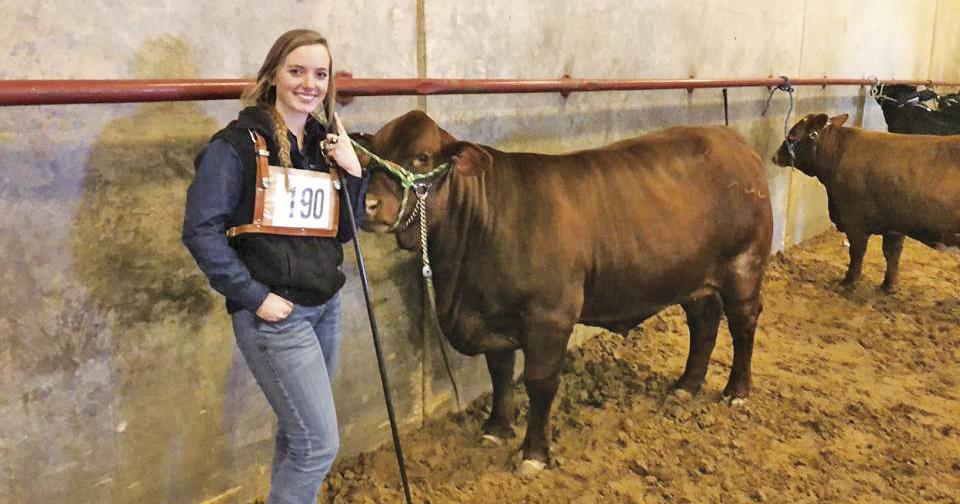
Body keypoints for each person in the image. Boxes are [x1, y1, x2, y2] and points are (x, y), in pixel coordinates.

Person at [182, 29, 367, 504]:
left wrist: (353, 172)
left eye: (320, 74)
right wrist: (254, 297)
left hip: (324, 307)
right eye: (297, 71)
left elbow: (343, 231)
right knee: (319, 444)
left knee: (299, 433)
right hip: (277, 317)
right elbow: (201, 230)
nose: (310, 83)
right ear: (273, 76)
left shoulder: (325, 145)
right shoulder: (237, 145)